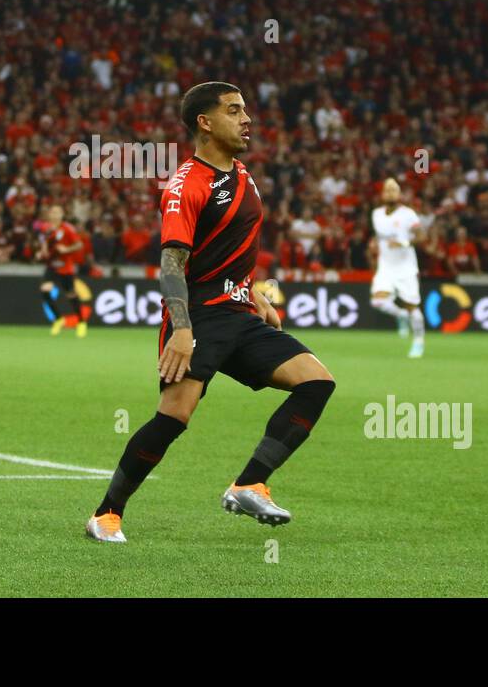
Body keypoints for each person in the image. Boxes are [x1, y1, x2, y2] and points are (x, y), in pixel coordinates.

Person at [85, 82, 335, 543]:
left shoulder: (242, 173)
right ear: (205, 122)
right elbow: (171, 264)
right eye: (234, 110)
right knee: (172, 419)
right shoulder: (186, 185)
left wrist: (256, 296)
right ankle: (106, 514)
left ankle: (250, 483)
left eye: (245, 110)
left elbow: (230, 246)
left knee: (316, 381)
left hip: (239, 312)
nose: (247, 119)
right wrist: (182, 329)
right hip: (199, 317)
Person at [369, 177, 427, 358]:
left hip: (405, 267)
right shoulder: (376, 214)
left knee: (413, 306)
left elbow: (422, 236)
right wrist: (373, 244)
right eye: (387, 190)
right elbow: (379, 237)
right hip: (385, 266)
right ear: (382, 194)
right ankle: (401, 315)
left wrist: (403, 242)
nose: (390, 193)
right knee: (377, 301)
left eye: (394, 189)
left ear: (399, 194)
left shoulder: (407, 214)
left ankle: (418, 341)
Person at [39, 203, 89, 337]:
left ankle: (81, 322)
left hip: (65, 267)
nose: (54, 215)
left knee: (71, 295)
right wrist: (42, 252)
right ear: (49, 215)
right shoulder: (46, 228)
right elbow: (45, 243)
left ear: (62, 215)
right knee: (45, 290)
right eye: (52, 212)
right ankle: (58, 319)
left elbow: (79, 244)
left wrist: (67, 249)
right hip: (52, 266)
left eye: (57, 212)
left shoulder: (67, 229)